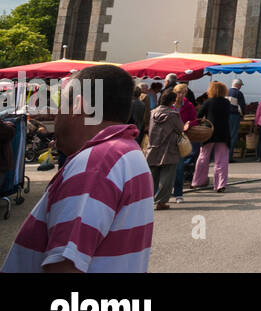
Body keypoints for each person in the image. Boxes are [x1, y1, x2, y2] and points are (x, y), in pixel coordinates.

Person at [1, 65, 153, 273]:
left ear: (78, 106)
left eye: (60, 105)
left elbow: (65, 265)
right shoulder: (127, 151)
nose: (56, 117)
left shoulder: (96, 163)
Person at [146, 90, 184, 210]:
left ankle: (146, 200)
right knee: (167, 177)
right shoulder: (173, 115)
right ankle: (161, 202)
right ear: (172, 101)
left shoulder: (152, 113)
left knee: (152, 176)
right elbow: (180, 129)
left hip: (153, 147)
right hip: (169, 148)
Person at [192, 81, 233, 192]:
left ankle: (198, 181)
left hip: (209, 132)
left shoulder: (208, 102)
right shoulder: (227, 103)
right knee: (222, 159)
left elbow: (198, 116)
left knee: (203, 157)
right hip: (224, 132)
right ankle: (220, 184)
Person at [172, 83, 198, 202]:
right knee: (164, 167)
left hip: (181, 138)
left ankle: (178, 194)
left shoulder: (189, 105)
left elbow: (194, 120)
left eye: (183, 93)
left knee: (179, 168)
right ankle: (161, 193)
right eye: (179, 92)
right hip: (168, 138)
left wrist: (189, 124)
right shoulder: (169, 104)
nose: (181, 95)